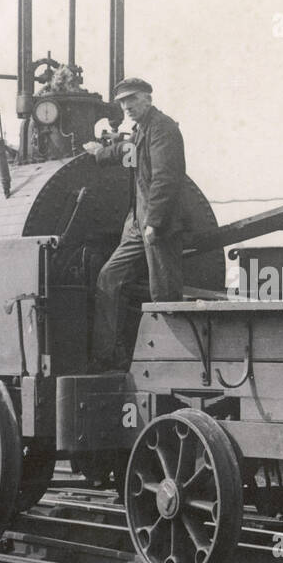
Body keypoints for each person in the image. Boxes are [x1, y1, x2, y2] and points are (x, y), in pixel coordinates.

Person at [82, 77, 187, 371]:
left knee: (164, 293)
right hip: (136, 224)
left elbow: (166, 178)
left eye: (132, 99)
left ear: (148, 99)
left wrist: (154, 222)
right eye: (122, 102)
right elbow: (128, 150)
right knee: (109, 278)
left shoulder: (164, 129)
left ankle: (172, 361)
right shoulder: (142, 129)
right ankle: (107, 355)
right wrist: (100, 152)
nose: (126, 106)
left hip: (157, 225)